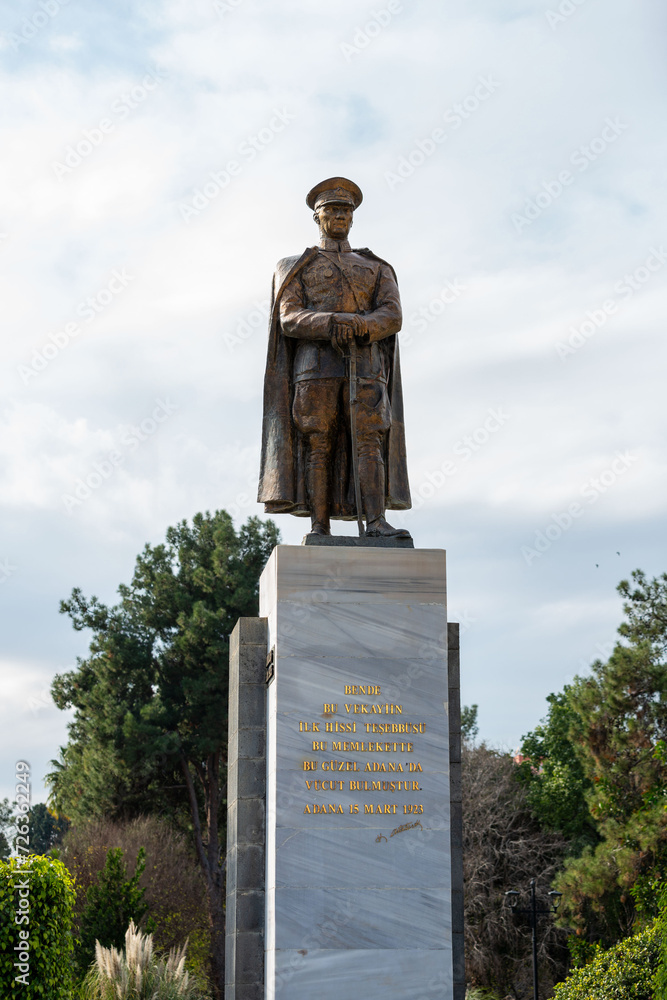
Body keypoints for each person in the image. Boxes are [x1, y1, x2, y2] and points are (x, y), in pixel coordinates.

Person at [257, 176, 411, 538]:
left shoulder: (377, 267)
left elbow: (392, 315)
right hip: (314, 368)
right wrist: (331, 322)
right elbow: (288, 317)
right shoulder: (295, 266)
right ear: (317, 216)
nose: (340, 215)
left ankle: (376, 523)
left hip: (367, 367)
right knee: (318, 444)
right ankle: (319, 526)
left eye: (345, 210)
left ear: (353, 217)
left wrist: (361, 325)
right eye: (332, 210)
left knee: (370, 441)